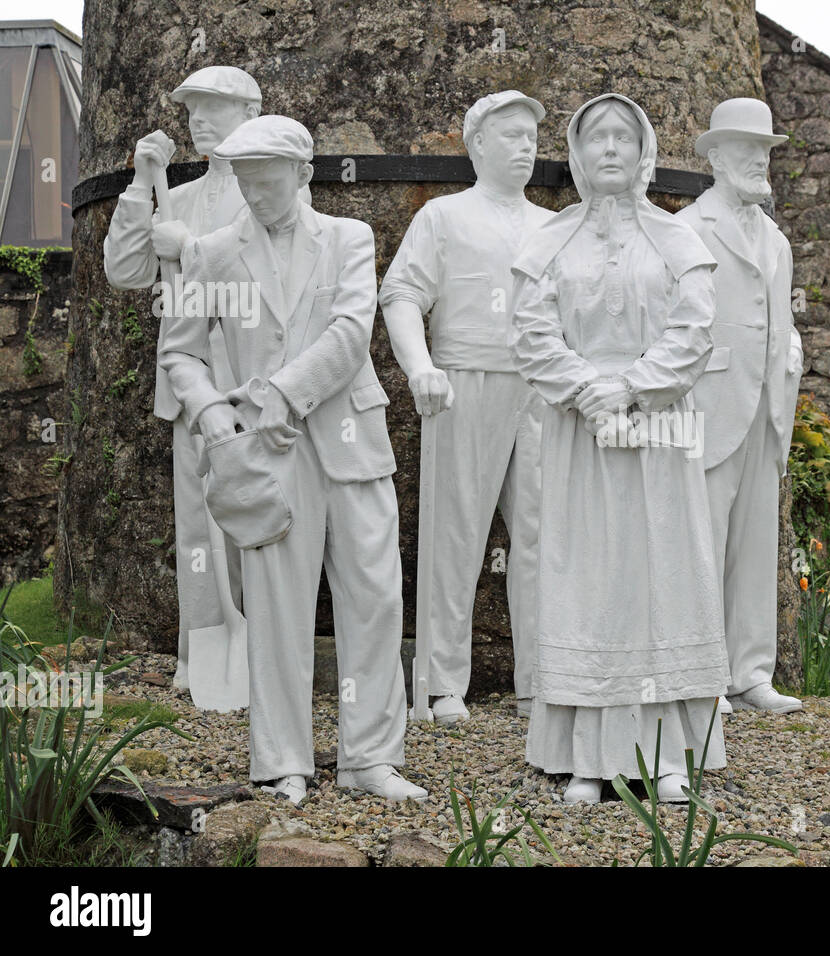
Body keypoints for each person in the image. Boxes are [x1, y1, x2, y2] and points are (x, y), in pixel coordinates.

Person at [156, 115, 424, 804]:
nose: (255, 195)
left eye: (268, 182)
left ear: (303, 175)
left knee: (375, 597)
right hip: (264, 455)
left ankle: (369, 757)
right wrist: (214, 414)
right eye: (245, 182)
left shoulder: (348, 239)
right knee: (277, 609)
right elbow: (180, 354)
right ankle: (282, 761)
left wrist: (281, 391)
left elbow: (348, 332)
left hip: (349, 440)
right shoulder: (212, 253)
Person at [510, 93, 729, 805]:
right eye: (596, 137)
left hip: (659, 431)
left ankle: (665, 754)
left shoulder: (675, 241)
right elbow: (531, 333)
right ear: (576, 153)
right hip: (580, 434)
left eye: (622, 137)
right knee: (591, 583)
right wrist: (587, 392)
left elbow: (694, 332)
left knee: (661, 579)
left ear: (644, 153)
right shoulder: (550, 242)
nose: (609, 148)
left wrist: (632, 389)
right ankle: (589, 757)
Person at [103, 66, 307, 697]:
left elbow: (276, 273)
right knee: (197, 531)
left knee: (262, 515)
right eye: (193, 109)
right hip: (189, 384)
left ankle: (268, 650)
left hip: (253, 384)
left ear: (251, 108)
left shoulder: (272, 196)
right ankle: (201, 649)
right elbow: (123, 270)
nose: (200, 119)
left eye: (215, 107)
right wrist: (142, 187)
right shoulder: (178, 195)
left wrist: (188, 246)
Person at [380, 91, 552, 725]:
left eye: (531, 135)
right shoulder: (443, 218)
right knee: (455, 535)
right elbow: (400, 295)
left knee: (541, 536)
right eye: (510, 134)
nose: (525, 145)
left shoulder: (552, 226)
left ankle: (541, 679)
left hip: (539, 388)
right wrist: (421, 367)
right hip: (465, 381)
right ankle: (441, 681)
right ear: (476, 144)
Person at [677, 98, 804, 713]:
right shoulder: (689, 227)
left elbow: (778, 319)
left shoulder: (776, 240)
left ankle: (750, 672)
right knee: (702, 535)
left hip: (766, 404)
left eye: (767, 150)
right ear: (718, 157)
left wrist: (789, 360)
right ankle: (701, 672)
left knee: (755, 540)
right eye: (749, 149)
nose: (761, 160)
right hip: (711, 398)